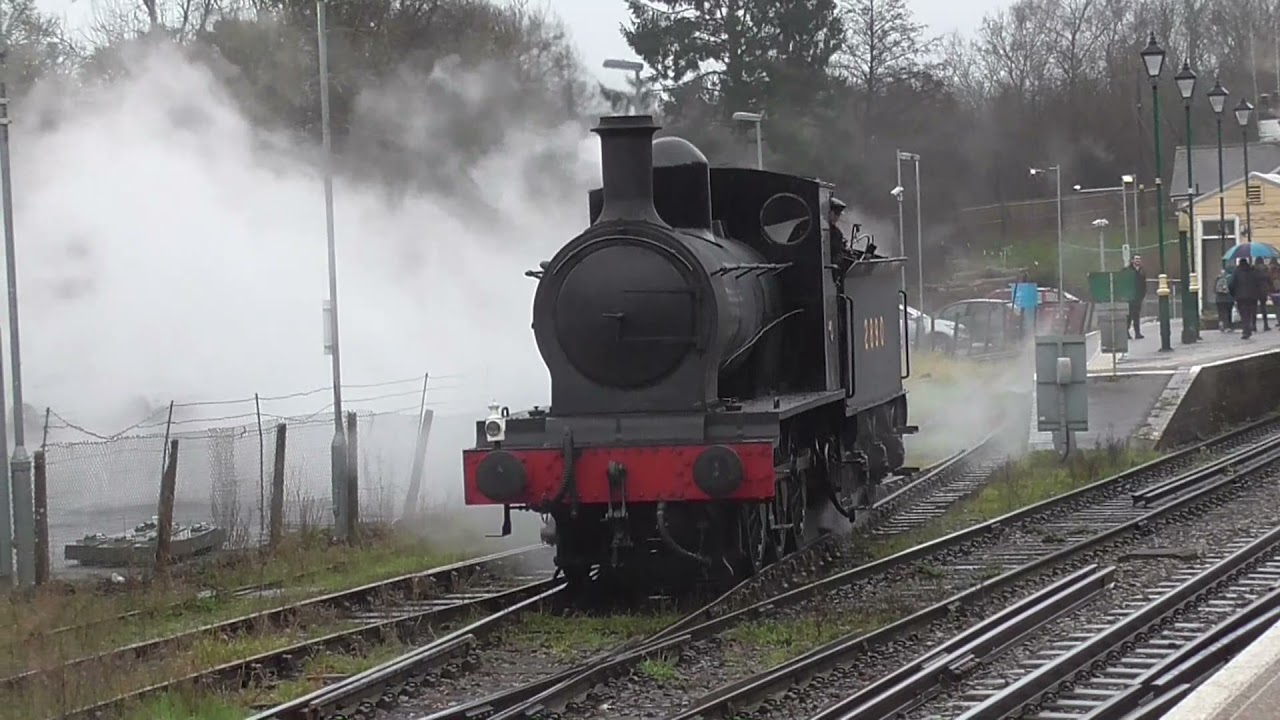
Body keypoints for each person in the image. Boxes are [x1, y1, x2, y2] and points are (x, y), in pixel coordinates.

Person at [1229, 257, 1263, 339]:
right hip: (1252, 297)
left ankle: (1246, 330)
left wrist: (1233, 294)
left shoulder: (1236, 272)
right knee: (1250, 313)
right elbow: (1258, 284)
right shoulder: (1253, 272)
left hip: (1240, 297)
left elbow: (1231, 285)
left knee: (1243, 314)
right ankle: (1250, 327)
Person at [1123, 255, 1147, 339]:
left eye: (1139, 259)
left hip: (1138, 296)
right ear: (1132, 260)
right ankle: (1126, 332)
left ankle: (1137, 333)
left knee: (1136, 315)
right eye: (1136, 259)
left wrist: (1143, 294)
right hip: (1129, 296)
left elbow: (1143, 284)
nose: (1138, 261)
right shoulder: (1127, 270)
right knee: (1128, 315)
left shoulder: (1142, 271)